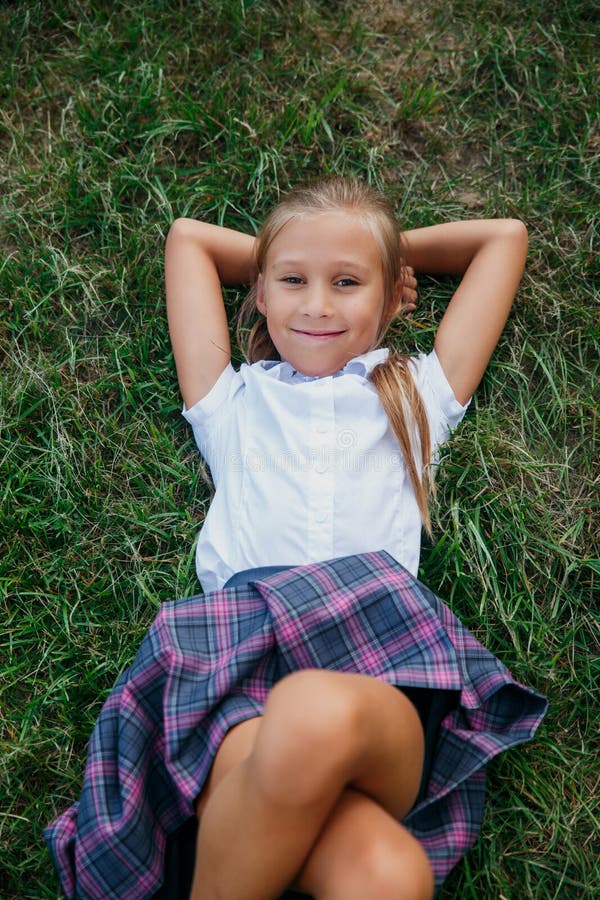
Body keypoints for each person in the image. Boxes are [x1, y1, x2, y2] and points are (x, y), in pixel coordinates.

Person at [44, 177, 547, 900]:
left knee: (314, 712)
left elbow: (504, 238)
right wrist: (337, 254)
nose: (316, 305)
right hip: (240, 669)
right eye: (292, 281)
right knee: (387, 876)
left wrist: (382, 252)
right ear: (259, 293)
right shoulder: (232, 402)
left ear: (389, 298)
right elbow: (188, 239)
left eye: (346, 282)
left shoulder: (418, 396)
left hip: (379, 660)